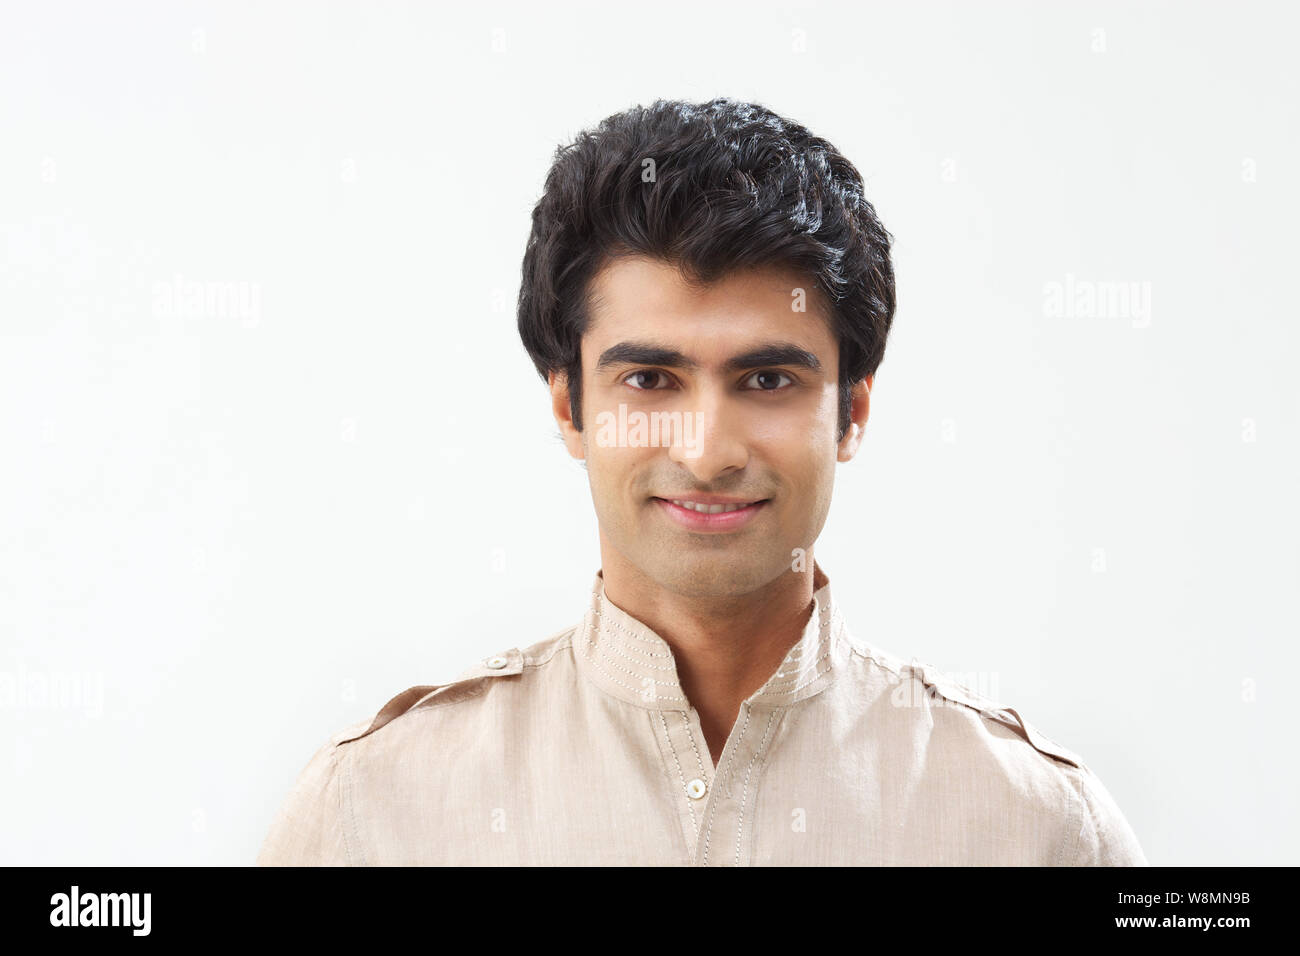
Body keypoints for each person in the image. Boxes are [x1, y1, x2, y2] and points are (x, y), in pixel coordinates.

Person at [256, 97, 1148, 866]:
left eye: (767, 381)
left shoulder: (1035, 828)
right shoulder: (373, 813)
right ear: (570, 406)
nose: (709, 449)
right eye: (649, 379)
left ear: (853, 413)